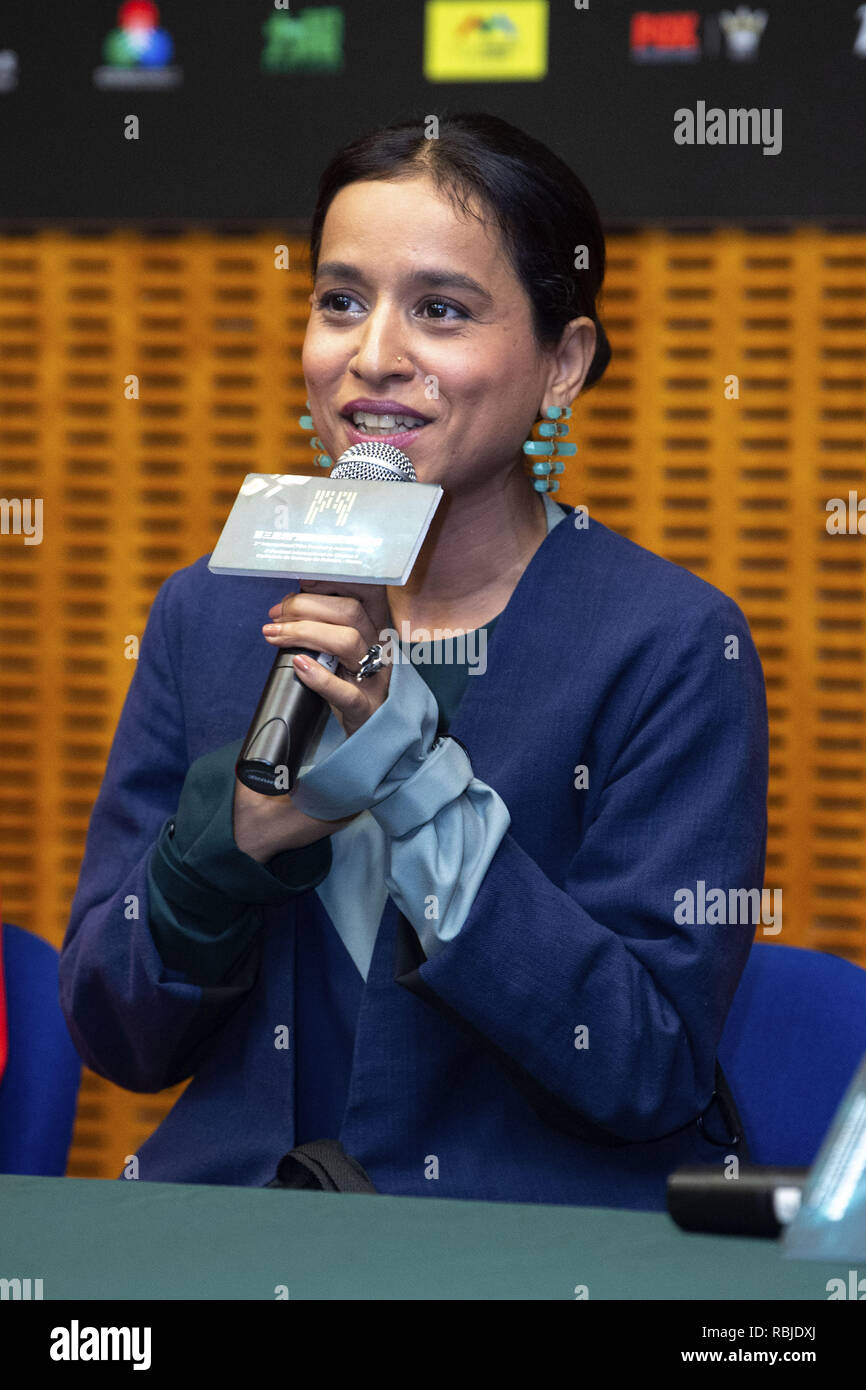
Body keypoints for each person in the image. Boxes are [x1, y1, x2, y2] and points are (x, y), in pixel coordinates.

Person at [59, 113, 768, 1208]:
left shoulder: (667, 644)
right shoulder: (208, 610)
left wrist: (414, 780)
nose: (372, 354)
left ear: (561, 363)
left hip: (517, 1242)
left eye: (438, 310)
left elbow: (643, 1066)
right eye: (339, 300)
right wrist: (219, 854)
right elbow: (120, 1036)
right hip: (237, 1230)